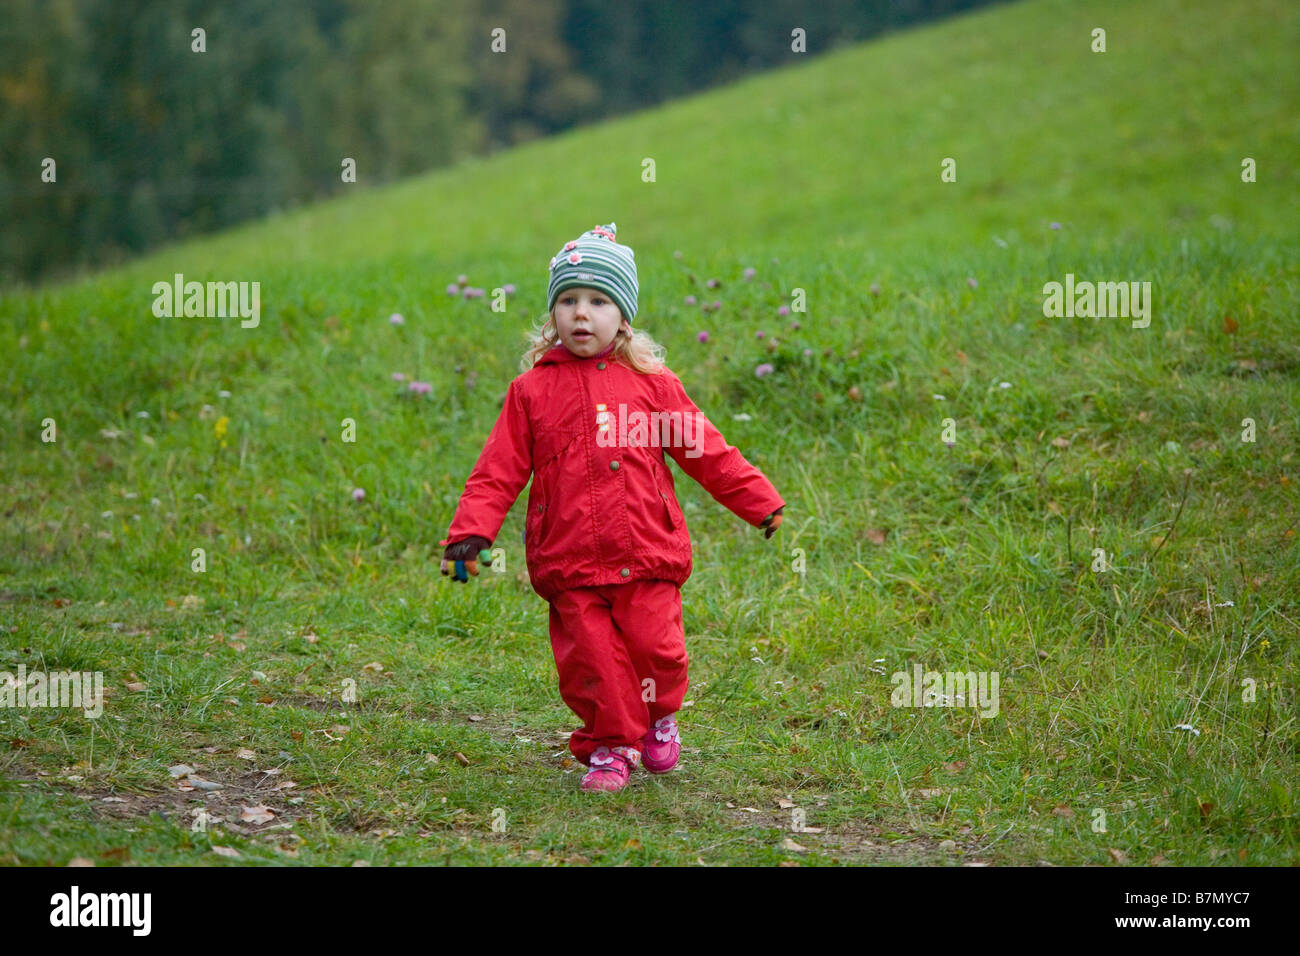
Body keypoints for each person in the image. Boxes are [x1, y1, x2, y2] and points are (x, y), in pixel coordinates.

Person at [439, 222, 785, 793]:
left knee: (659, 652)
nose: (581, 313)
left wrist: (759, 502)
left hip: (646, 549)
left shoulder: (653, 384)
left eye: (598, 300)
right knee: (592, 665)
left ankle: (660, 717)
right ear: (552, 315)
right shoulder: (530, 393)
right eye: (568, 300)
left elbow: (708, 451)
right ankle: (611, 747)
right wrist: (469, 534)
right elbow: (496, 472)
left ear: (622, 316)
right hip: (568, 559)